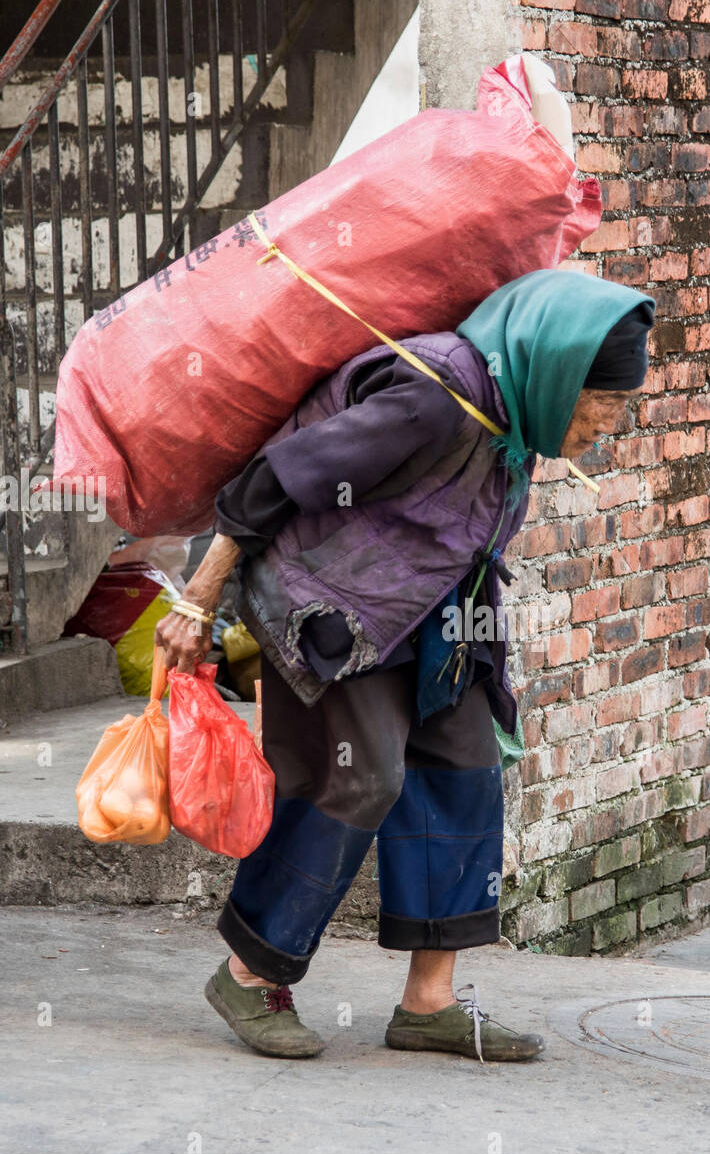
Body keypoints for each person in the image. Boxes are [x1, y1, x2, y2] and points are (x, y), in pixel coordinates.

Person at [156, 268, 655, 1062]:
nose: (611, 424)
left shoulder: (513, 421)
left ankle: (428, 1003)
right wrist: (199, 598)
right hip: (328, 602)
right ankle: (250, 975)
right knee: (364, 775)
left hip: (431, 616)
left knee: (464, 765)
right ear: (561, 374)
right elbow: (283, 472)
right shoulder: (434, 393)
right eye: (609, 402)